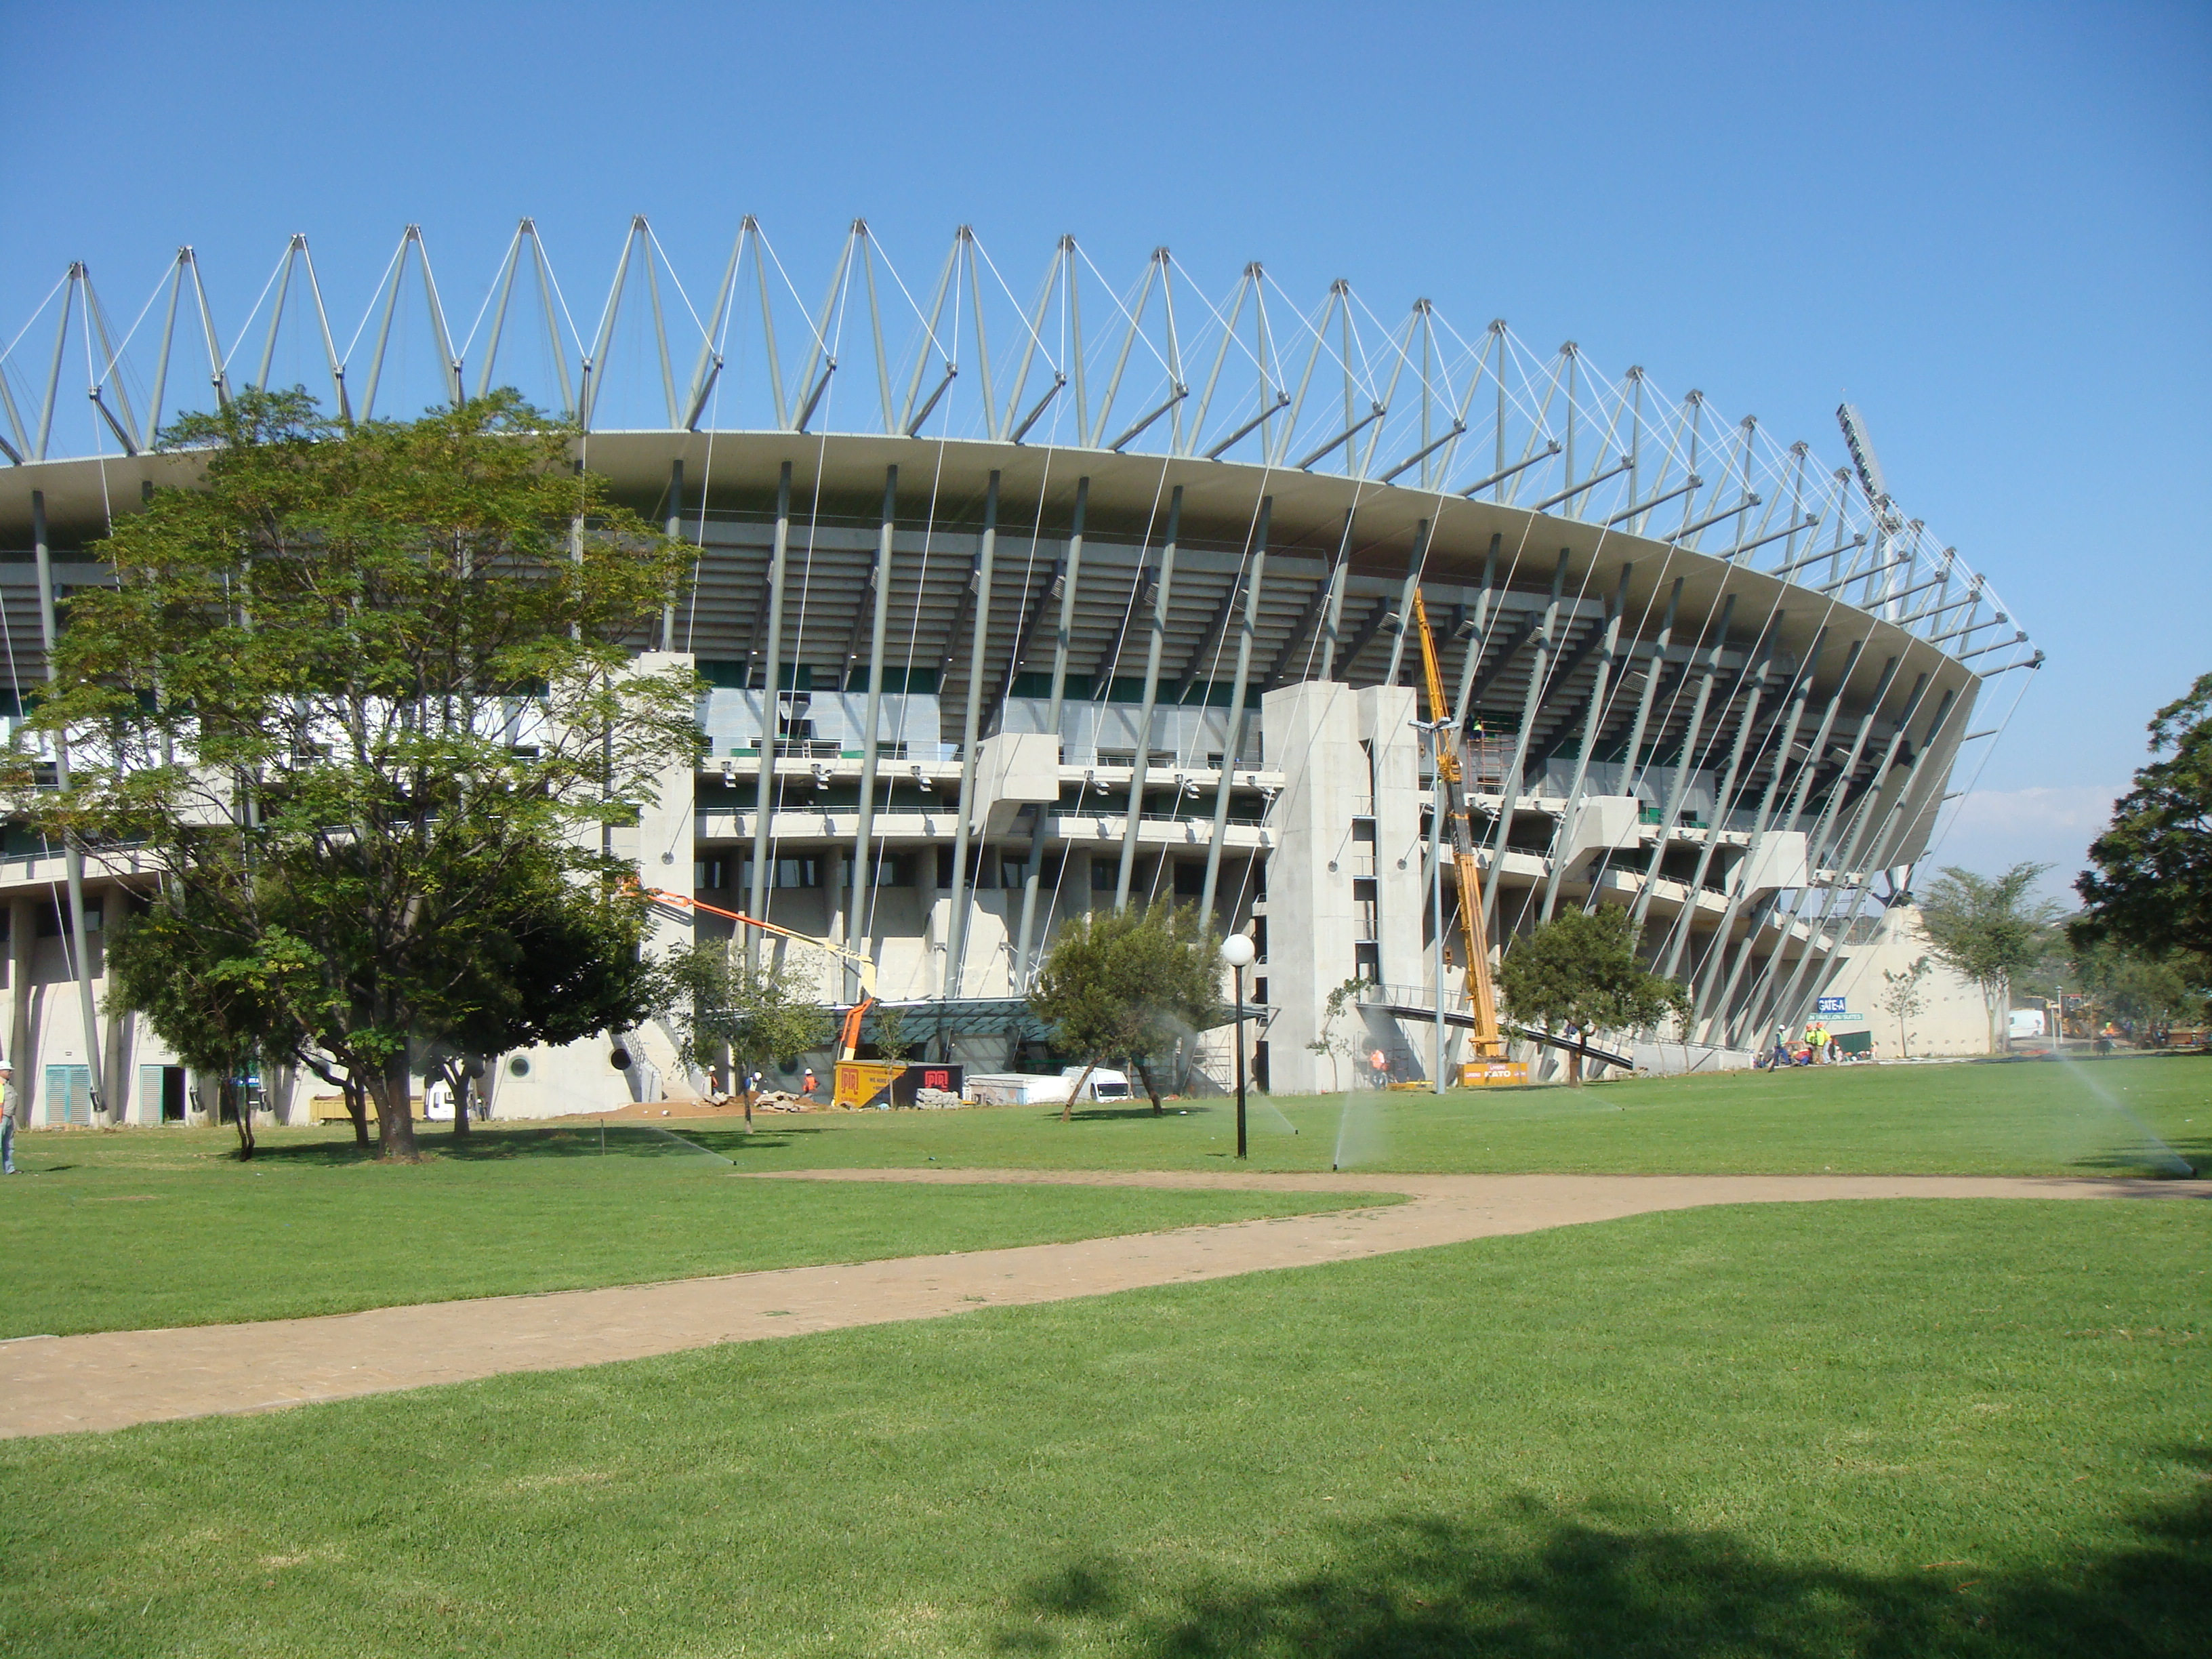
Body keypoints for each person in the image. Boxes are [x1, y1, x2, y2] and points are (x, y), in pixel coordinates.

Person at [0, 1059, 14, 1174]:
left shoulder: (7, 1084)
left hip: (9, 1117)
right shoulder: (1, 1085)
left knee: (9, 1145)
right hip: (2, 1117)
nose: (11, 1072)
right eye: (8, 1070)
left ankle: (10, 1169)